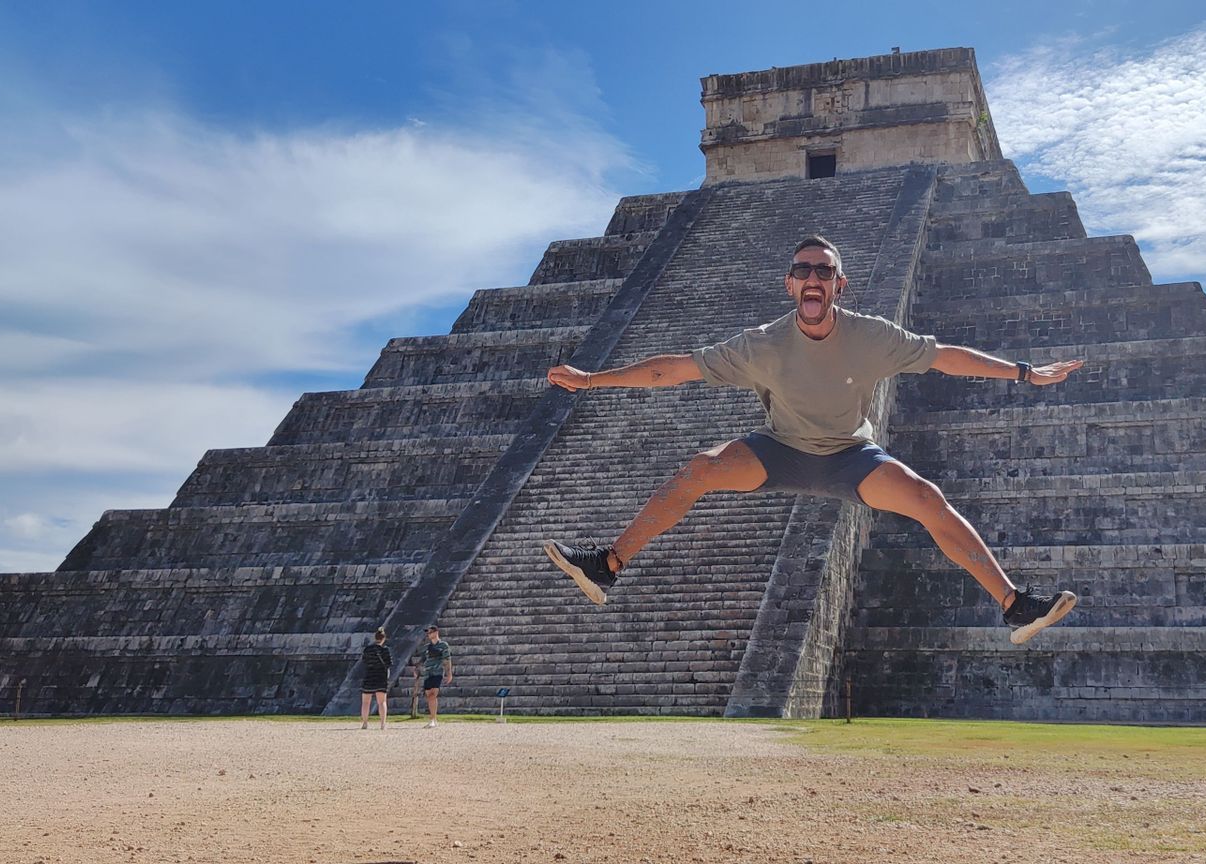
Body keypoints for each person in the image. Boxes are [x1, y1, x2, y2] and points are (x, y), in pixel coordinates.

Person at [544, 235, 1082, 645]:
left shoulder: (873, 336)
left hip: (851, 455)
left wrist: (1024, 372)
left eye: (824, 271)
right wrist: (592, 380)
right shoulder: (761, 344)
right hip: (779, 449)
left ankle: (1014, 605)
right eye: (803, 270)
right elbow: (674, 370)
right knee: (700, 469)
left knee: (926, 498)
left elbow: (944, 357)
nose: (813, 278)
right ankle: (607, 565)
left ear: (839, 285)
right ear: (790, 284)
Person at [412, 625, 452, 727]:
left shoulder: (443, 645)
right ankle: (433, 718)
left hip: (437, 672)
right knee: (429, 695)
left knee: (433, 694)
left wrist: (449, 674)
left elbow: (447, 660)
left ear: (436, 632)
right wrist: (416, 669)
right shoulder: (427, 647)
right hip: (427, 673)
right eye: (428, 633)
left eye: (430, 632)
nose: (428, 634)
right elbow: (422, 660)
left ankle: (433, 719)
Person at [358, 627, 392, 730]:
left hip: (369, 676)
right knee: (382, 702)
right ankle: (382, 724)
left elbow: (364, 661)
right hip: (381, 677)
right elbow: (389, 663)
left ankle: (365, 723)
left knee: (365, 702)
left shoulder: (367, 650)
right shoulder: (385, 650)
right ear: (383, 638)